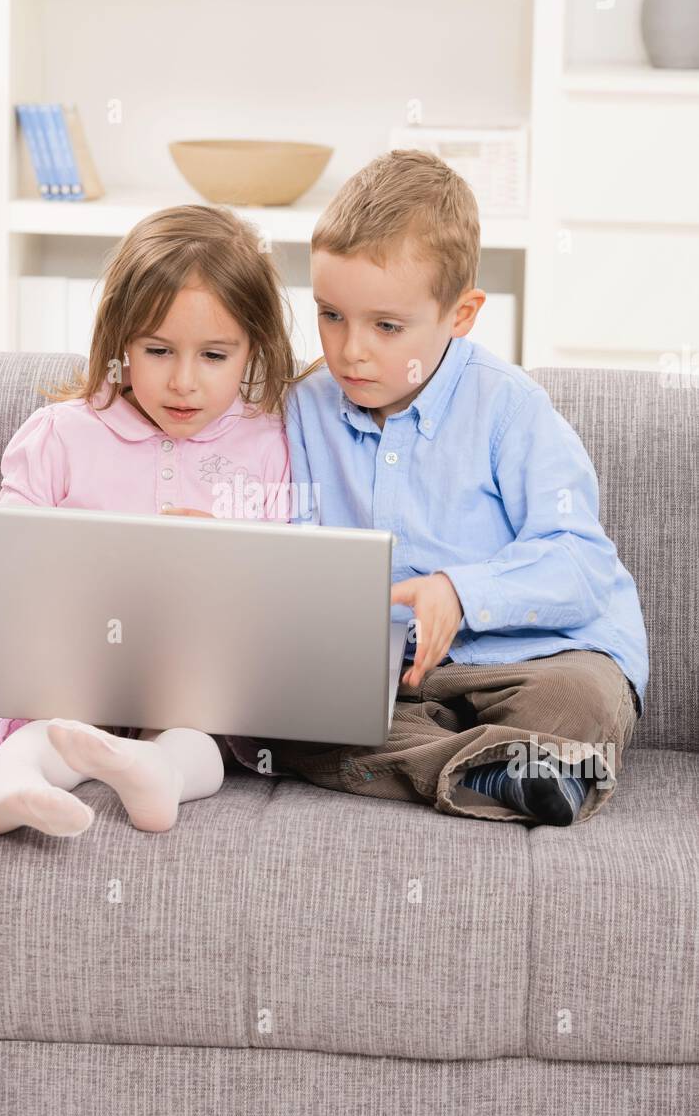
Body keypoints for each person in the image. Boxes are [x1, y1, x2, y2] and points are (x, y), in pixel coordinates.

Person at [258, 149, 649, 827]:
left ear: (461, 314)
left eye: (386, 326)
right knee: (276, 719)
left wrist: (461, 590)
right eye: (330, 314)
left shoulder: (510, 408)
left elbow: (579, 561)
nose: (351, 350)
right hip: (393, 674)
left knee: (578, 703)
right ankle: (493, 773)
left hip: (535, 656)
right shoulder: (301, 407)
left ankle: (492, 762)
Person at [0, 204, 295, 837]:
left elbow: (289, 593)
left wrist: (233, 559)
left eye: (215, 355)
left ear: (253, 348)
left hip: (197, 691)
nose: (184, 382)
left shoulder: (269, 444)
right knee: (52, 728)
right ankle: (11, 785)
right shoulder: (64, 433)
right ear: (120, 343)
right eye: (158, 350)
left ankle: (153, 772)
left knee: (197, 741)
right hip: (76, 679)